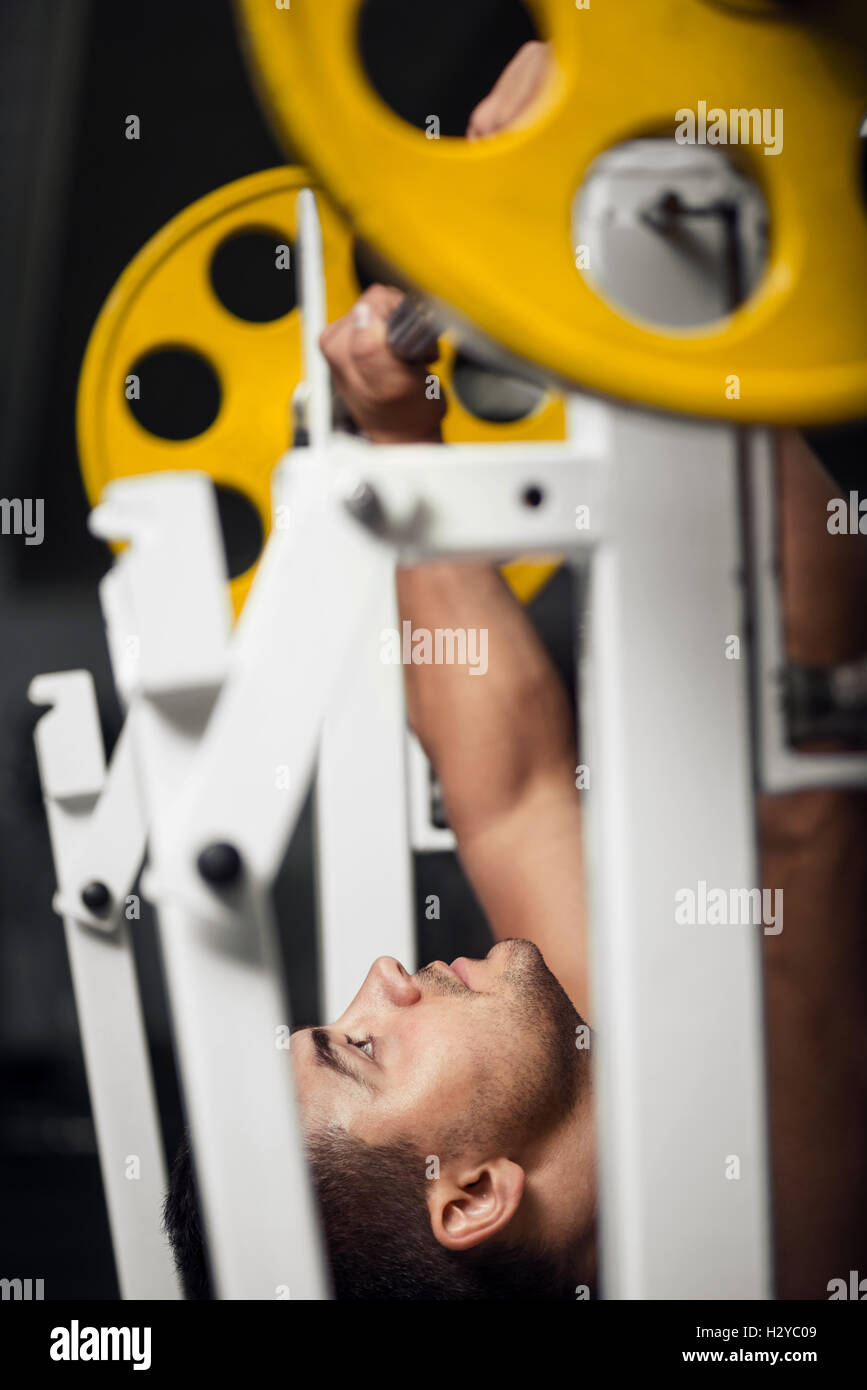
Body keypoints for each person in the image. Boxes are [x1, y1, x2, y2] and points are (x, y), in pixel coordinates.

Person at [165, 42, 867, 1301]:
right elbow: (802, 797)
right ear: (473, 1193)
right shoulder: (774, 1268)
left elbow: (512, 785)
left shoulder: (624, 1060)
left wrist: (398, 433)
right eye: (364, 1047)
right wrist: (658, 228)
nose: (381, 977)